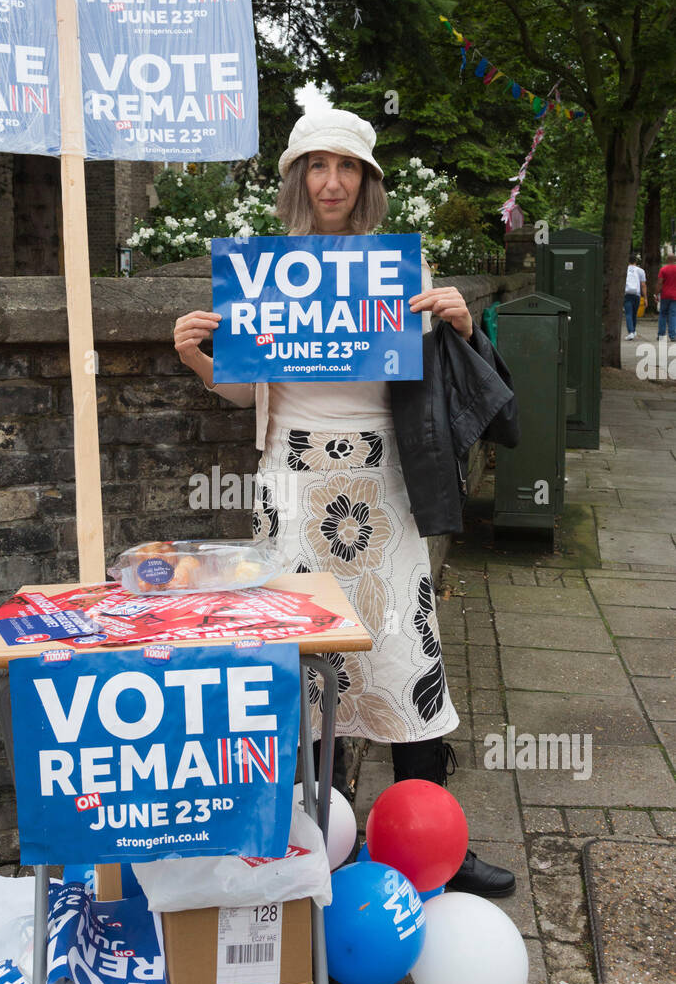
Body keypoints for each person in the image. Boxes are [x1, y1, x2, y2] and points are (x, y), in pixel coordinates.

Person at [173, 109, 518, 898]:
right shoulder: (266, 269)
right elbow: (252, 394)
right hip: (292, 487)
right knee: (299, 661)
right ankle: (311, 837)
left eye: (348, 168)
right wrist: (200, 359)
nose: (332, 182)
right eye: (318, 166)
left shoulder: (399, 267)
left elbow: (438, 384)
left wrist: (461, 325)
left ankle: (435, 845)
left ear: (367, 183)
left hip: (383, 482)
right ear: (299, 179)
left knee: (405, 653)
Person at [623, 255, 646, 341]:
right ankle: (633, 330)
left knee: (628, 313)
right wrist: (646, 297)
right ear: (636, 261)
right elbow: (643, 285)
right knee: (634, 314)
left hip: (627, 293)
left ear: (627, 261)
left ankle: (631, 332)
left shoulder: (624, 269)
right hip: (637, 294)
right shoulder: (641, 271)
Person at [656, 253, 676, 343]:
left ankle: (661, 335)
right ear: (675, 260)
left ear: (667, 260)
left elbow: (660, 283)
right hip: (675, 296)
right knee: (673, 315)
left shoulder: (663, 269)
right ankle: (673, 335)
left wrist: (656, 294)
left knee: (663, 315)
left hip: (665, 295)